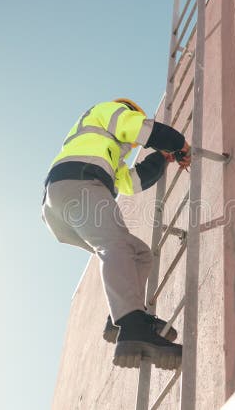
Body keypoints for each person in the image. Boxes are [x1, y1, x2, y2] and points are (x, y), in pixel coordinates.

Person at [41, 98, 190, 370]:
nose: (130, 147)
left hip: (62, 207)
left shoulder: (107, 154)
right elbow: (138, 129)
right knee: (115, 245)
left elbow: (131, 183)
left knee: (139, 253)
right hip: (78, 181)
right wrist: (178, 144)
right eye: (130, 144)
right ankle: (132, 326)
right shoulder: (108, 111)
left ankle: (119, 319)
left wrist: (161, 157)